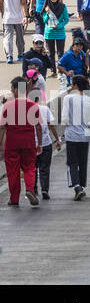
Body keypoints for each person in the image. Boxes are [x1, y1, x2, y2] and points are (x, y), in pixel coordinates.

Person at [1, 74, 47, 206]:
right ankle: (29, 189)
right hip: (28, 142)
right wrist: (40, 143)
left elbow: (2, 128)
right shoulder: (33, 105)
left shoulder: (8, 106)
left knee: (13, 171)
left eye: (11, 88)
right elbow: (38, 127)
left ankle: (14, 199)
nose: (11, 91)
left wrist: (0, 145)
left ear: (16, 89)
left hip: (12, 143)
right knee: (29, 168)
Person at [62, 74, 90, 200]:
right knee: (83, 162)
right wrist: (87, 125)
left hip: (71, 136)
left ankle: (77, 187)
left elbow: (64, 118)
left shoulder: (68, 99)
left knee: (72, 163)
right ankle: (81, 185)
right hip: (85, 136)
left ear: (75, 86)